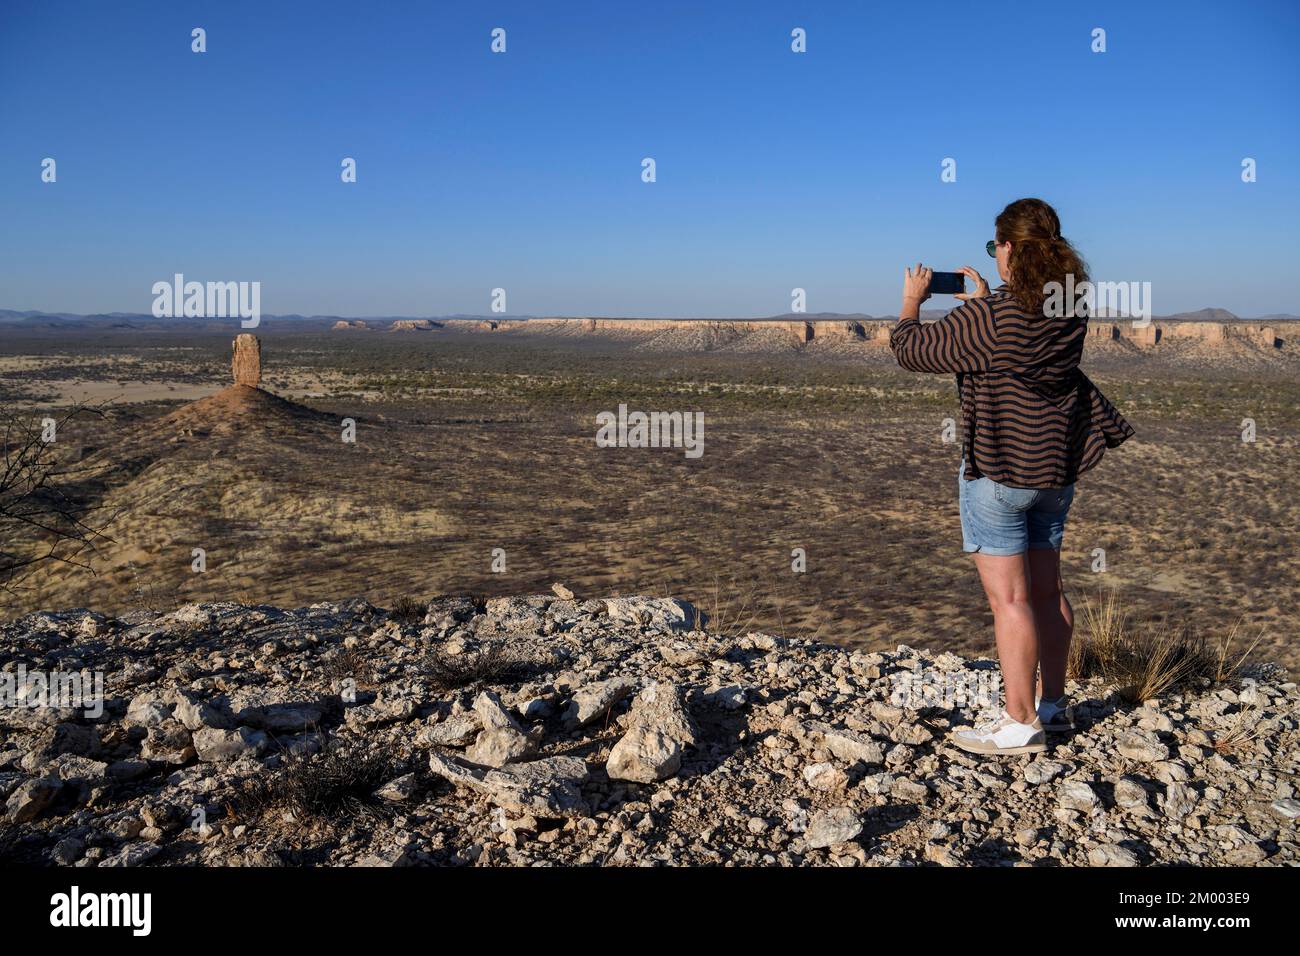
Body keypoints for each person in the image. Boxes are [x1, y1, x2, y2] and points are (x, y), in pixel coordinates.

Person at [889, 197, 1134, 756]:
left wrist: (912, 300)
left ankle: (1020, 721)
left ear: (1006, 249)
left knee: (1012, 601)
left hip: (1000, 471)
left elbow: (910, 350)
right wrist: (983, 300)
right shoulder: (1069, 306)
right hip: (1055, 471)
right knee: (1049, 592)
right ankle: (1054, 705)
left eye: (995, 246)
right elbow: (1019, 339)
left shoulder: (990, 319)